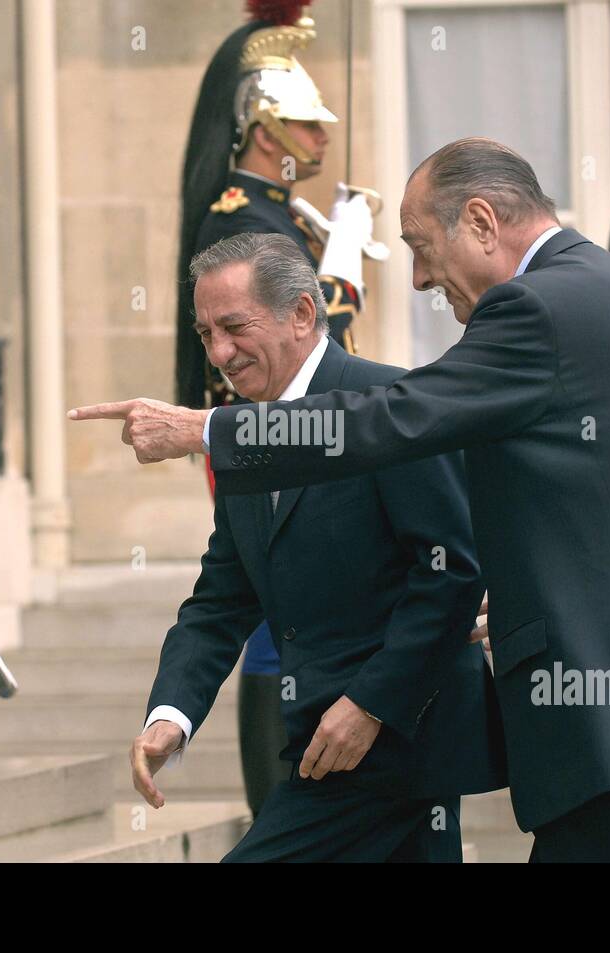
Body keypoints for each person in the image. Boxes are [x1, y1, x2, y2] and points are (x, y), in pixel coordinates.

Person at [72, 137, 610, 862]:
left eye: (421, 245)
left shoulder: (534, 306)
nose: (416, 277)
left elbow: (397, 416)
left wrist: (208, 430)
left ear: (480, 221)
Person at [135, 232, 506, 861]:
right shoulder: (243, 434)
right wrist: (171, 712)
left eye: (234, 327)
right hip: (327, 746)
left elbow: (452, 570)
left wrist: (371, 704)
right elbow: (223, 600)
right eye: (205, 335)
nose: (220, 352)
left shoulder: (390, 402)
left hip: (397, 744)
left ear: (303, 313)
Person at [173, 0, 385, 816]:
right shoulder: (244, 215)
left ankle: (296, 798)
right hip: (259, 429)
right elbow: (314, 317)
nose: (322, 137)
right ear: (264, 126)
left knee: (292, 603)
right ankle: (277, 804)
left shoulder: (280, 209)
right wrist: (339, 259)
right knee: (270, 608)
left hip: (297, 432)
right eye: (305, 123)